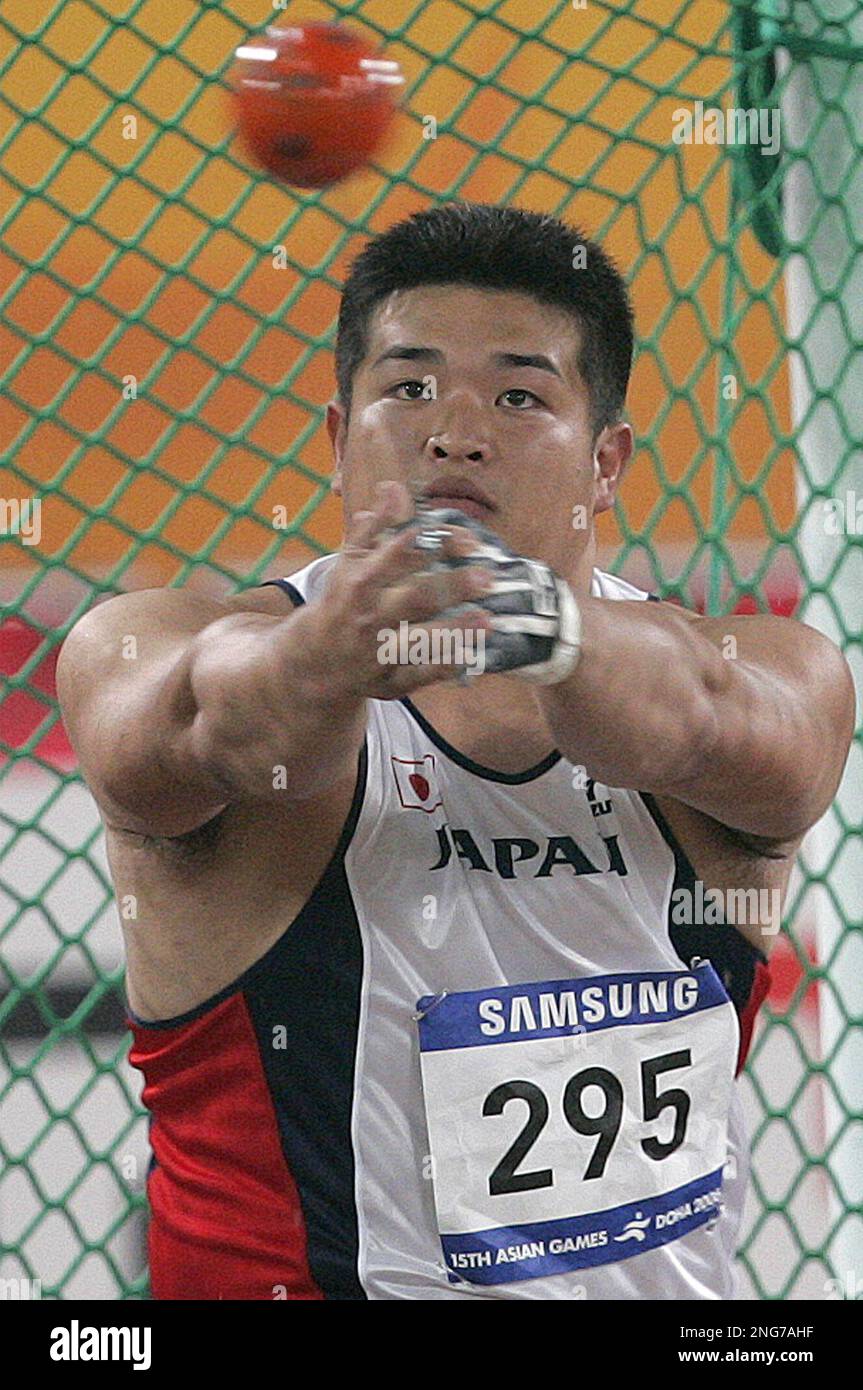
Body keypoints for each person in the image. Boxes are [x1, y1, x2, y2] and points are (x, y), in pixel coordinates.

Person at [57, 202, 854, 1301]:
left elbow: (717, 722)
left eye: (520, 395)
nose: (454, 433)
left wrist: (535, 625)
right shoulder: (150, 644)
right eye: (408, 387)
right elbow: (203, 723)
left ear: (605, 460)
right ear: (338, 439)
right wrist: (329, 654)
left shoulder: (768, 670)